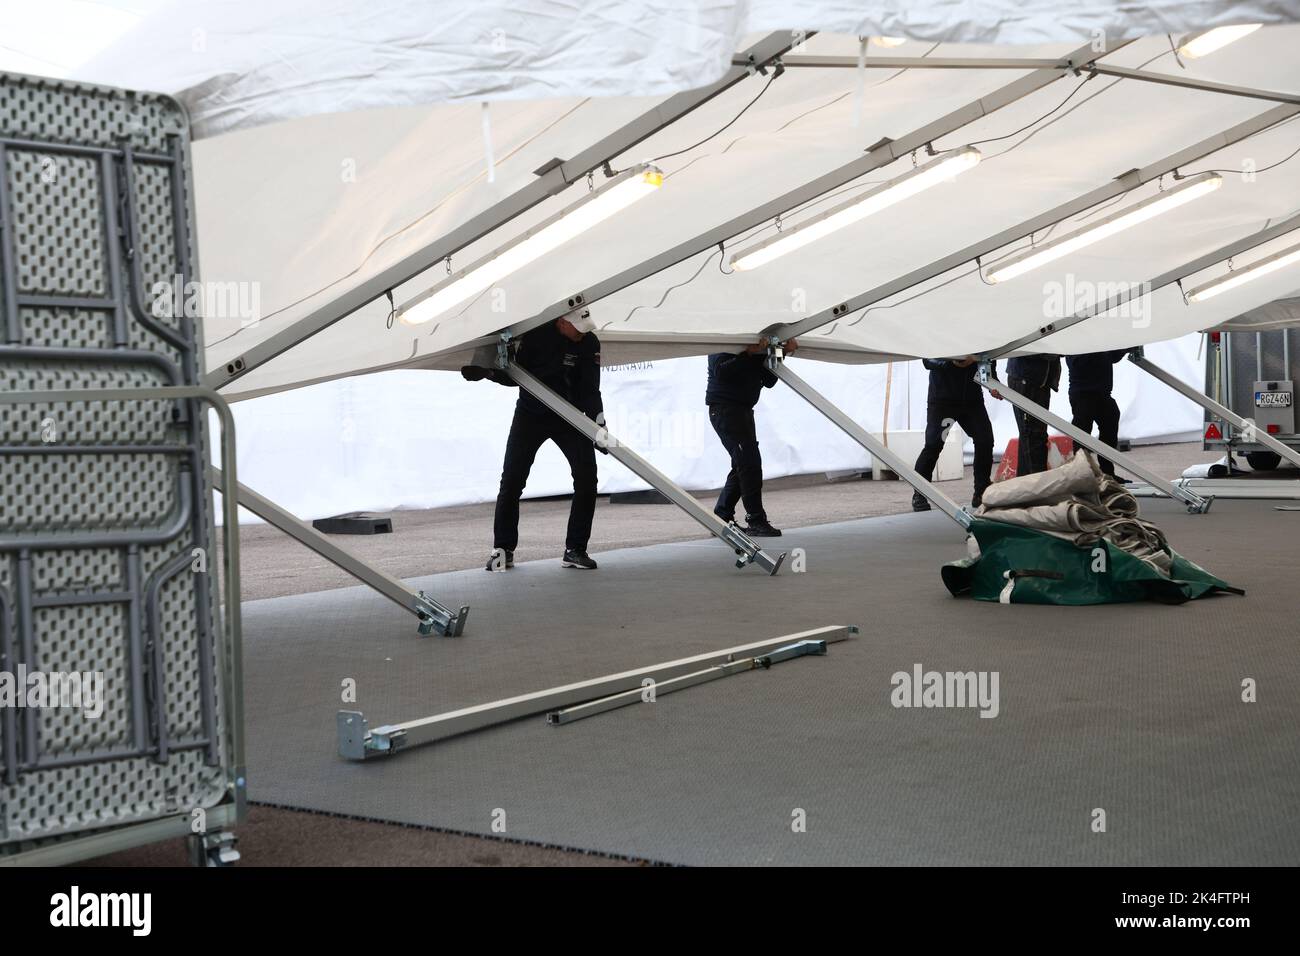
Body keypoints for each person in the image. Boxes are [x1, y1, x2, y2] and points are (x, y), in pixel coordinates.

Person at [461, 307, 603, 571]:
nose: (582, 334)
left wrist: (598, 423)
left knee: (587, 479)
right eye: (577, 329)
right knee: (512, 480)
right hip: (531, 414)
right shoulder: (536, 335)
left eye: (585, 329)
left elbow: (590, 388)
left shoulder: (590, 342)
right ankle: (503, 550)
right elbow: (514, 375)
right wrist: (487, 373)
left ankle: (575, 550)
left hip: (569, 415)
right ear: (561, 322)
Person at [704, 337, 798, 537]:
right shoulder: (722, 343)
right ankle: (755, 519)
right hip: (725, 410)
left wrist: (781, 354)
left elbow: (770, 380)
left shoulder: (755, 349)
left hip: (742, 411)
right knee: (749, 464)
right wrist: (749, 353)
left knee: (744, 465)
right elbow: (722, 371)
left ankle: (721, 516)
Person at [911, 356, 998, 512]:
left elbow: (988, 355)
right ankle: (920, 493)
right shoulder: (939, 334)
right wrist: (954, 362)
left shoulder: (979, 334)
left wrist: (992, 382)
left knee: (985, 440)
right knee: (933, 445)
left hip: (972, 400)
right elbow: (927, 360)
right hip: (943, 401)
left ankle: (981, 491)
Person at [1065, 350, 1129, 478]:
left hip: (1102, 393)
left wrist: (1125, 348)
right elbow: (1078, 362)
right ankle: (1082, 473)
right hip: (1082, 394)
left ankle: (1107, 472)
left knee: (1110, 425)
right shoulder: (1075, 343)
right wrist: (1102, 350)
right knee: (1082, 435)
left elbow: (1112, 357)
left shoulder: (1100, 342)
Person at [1005, 354, 1061, 476]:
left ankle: (1028, 483)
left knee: (1033, 434)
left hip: (1038, 380)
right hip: (1027, 378)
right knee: (1032, 434)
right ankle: (1036, 483)